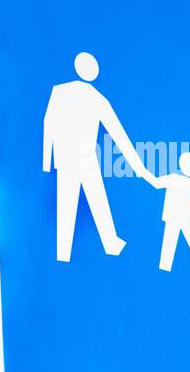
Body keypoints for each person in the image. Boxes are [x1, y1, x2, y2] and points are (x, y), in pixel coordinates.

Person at [43, 52, 153, 262]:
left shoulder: (64, 92)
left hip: (73, 157)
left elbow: (48, 123)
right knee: (88, 198)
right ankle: (96, 246)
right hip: (80, 157)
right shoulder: (96, 98)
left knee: (85, 198)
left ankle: (96, 244)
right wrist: (140, 168)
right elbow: (120, 137)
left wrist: (48, 161)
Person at [149, 151, 190, 272]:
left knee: (176, 238)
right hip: (179, 216)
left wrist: (145, 174)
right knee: (186, 237)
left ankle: (167, 264)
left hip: (177, 216)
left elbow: (156, 183)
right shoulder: (188, 182)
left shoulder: (177, 179)